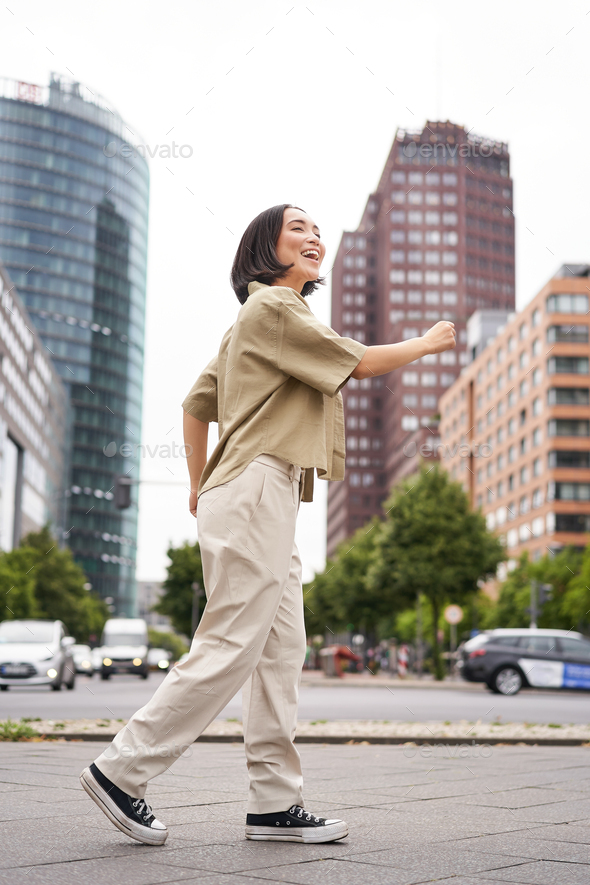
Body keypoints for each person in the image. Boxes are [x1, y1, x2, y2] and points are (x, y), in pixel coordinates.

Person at [80, 203, 456, 846]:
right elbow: (357, 362)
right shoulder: (274, 309)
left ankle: (273, 804)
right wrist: (426, 343)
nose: (314, 237)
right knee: (231, 642)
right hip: (257, 487)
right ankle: (121, 770)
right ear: (266, 249)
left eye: (316, 231)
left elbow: (195, 405)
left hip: (260, 492)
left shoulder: (248, 326)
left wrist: (199, 485)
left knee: (280, 652)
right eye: (298, 229)